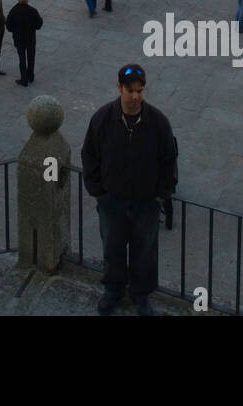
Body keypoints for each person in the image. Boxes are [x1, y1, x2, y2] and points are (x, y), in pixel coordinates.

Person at [81, 63, 177, 317]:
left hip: (146, 202)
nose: (136, 97)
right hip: (112, 201)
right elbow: (89, 155)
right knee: (112, 248)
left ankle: (141, 294)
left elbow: (169, 159)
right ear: (120, 88)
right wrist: (99, 192)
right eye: (130, 90)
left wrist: (160, 195)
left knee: (145, 251)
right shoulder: (103, 119)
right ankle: (113, 289)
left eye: (140, 91)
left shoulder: (157, 122)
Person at [5, 0, 43, 86]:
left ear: (18, 0)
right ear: (27, 0)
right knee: (31, 58)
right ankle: (30, 76)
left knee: (22, 59)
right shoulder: (33, 11)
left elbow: (9, 26)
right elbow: (39, 25)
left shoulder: (13, 11)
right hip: (30, 39)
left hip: (19, 40)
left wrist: (15, 31)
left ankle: (24, 79)